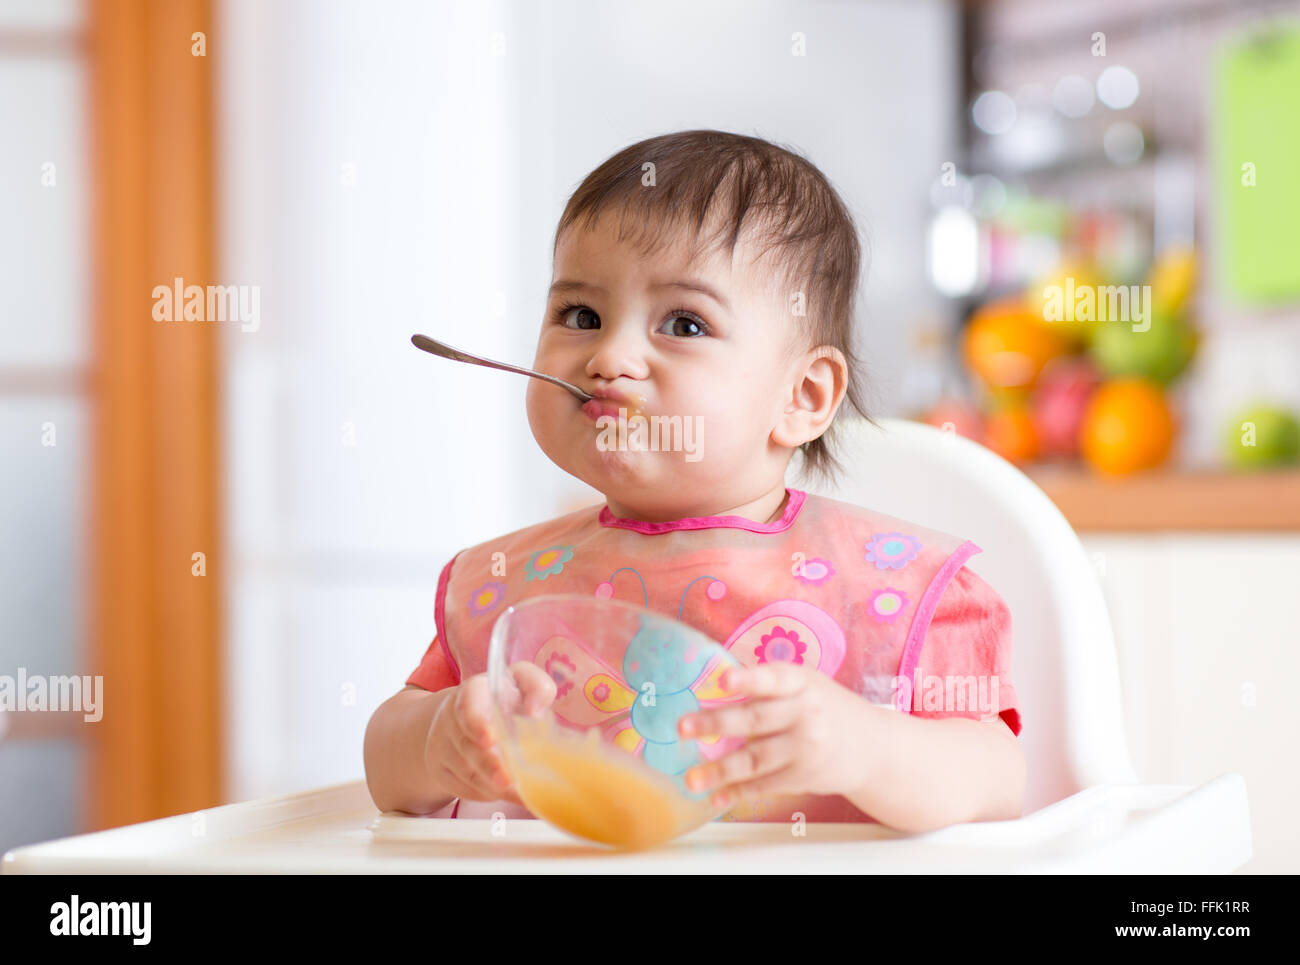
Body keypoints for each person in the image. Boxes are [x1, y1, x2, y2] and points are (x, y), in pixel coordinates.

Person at [364, 130, 1024, 832]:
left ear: (802, 395)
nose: (611, 356)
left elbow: (998, 778)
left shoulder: (908, 590)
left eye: (684, 323)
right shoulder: (505, 580)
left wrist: (866, 747)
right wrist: (440, 740)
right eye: (581, 316)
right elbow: (387, 770)